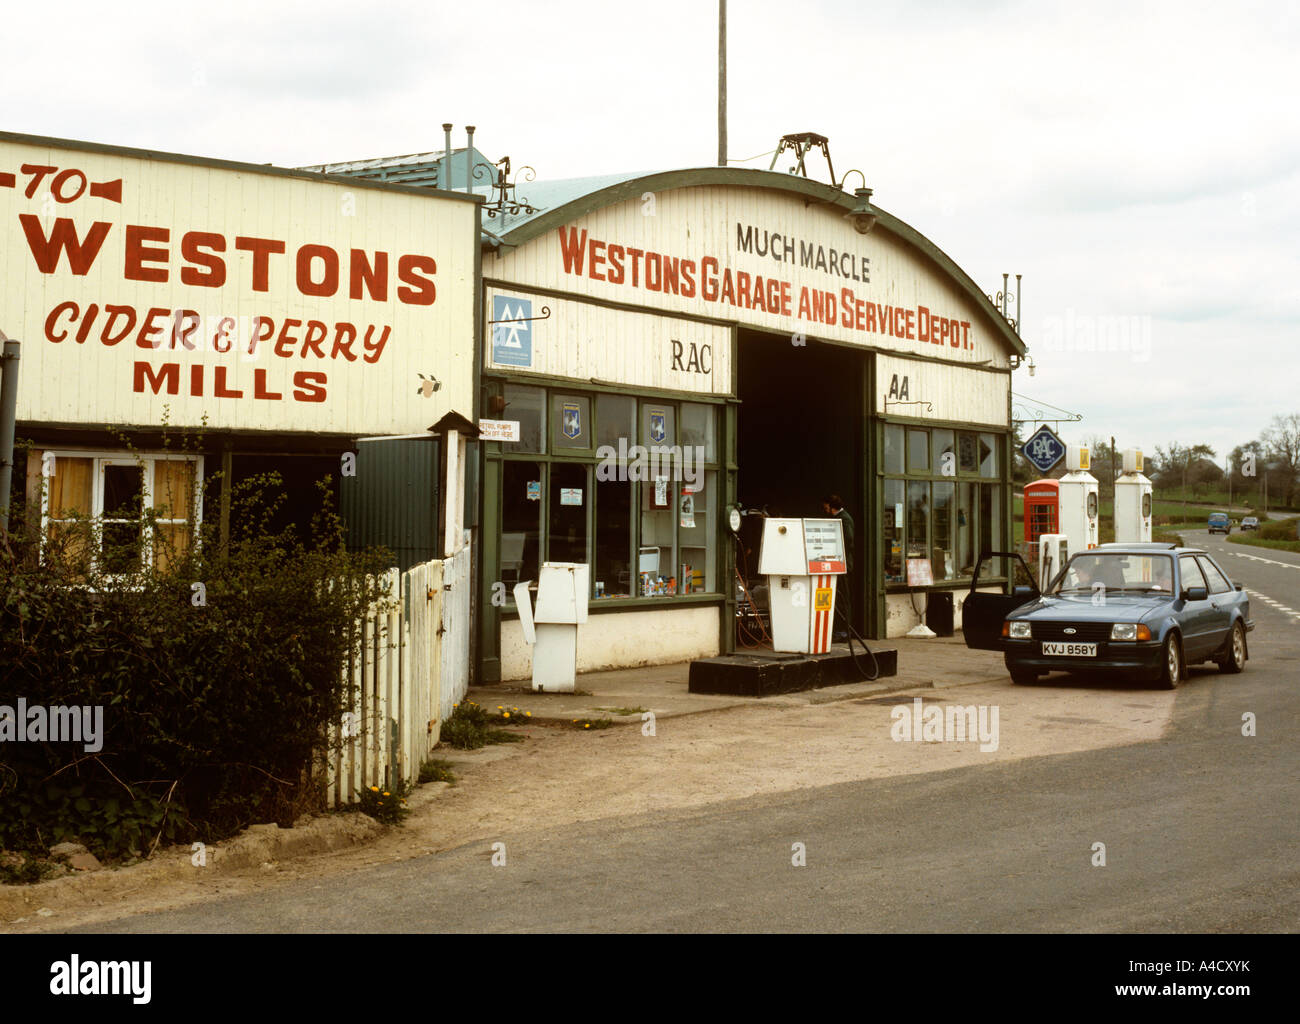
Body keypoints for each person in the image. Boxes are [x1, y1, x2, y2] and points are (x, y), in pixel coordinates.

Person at [822, 494, 855, 641]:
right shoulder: (840, 518)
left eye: (826, 506)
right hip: (838, 563)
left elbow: (848, 539)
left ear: (830, 505)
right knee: (838, 598)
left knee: (842, 599)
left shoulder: (843, 519)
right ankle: (839, 630)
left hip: (841, 564)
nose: (824, 509)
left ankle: (843, 631)